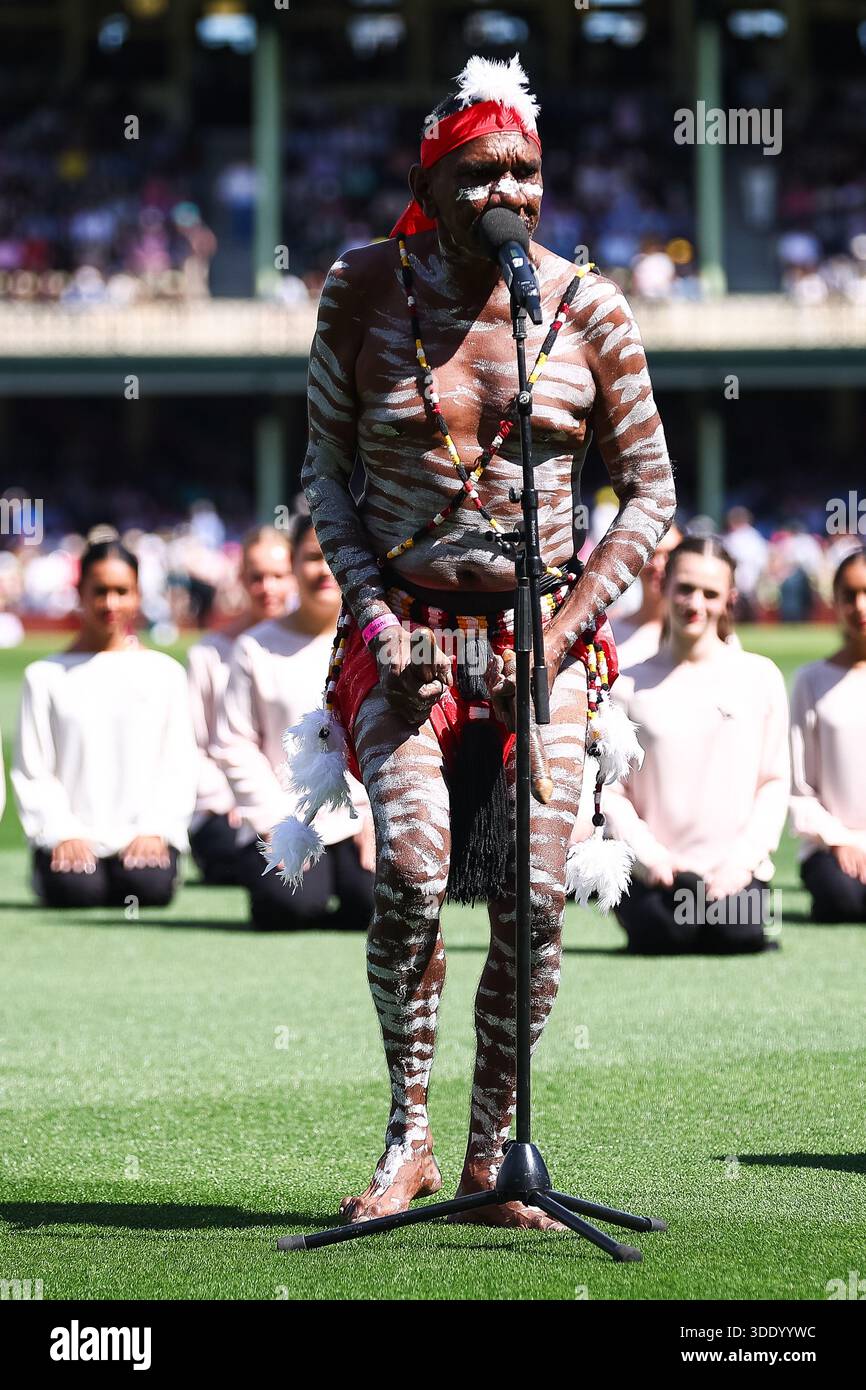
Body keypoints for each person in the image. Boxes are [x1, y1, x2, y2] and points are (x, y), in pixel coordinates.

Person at [297, 54, 675, 1227]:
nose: (504, 189)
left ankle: (487, 1159)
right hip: (400, 637)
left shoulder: (587, 306)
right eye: (477, 171)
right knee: (409, 877)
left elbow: (650, 493)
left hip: (542, 648)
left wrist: (560, 636)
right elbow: (324, 478)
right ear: (433, 174)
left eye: (522, 169)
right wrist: (372, 618)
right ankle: (406, 1138)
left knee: (533, 899)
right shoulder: (361, 289)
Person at [606, 537, 789, 953]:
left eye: (710, 593)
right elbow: (610, 792)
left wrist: (740, 865)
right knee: (665, 934)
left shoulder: (759, 678)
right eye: (685, 588)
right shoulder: (625, 685)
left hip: (734, 872)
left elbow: (774, 781)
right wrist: (653, 860)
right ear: (663, 587)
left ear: (730, 600)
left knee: (735, 934)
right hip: (656, 874)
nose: (695, 603)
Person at [12, 539, 196, 909]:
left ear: (138, 595)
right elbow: (33, 771)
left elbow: (178, 765)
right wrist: (62, 833)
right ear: (79, 592)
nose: (110, 604)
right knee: (77, 891)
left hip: (142, 836)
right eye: (99, 591)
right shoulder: (44, 676)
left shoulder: (165, 674)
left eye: (121, 591)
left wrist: (155, 829)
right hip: (73, 838)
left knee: (149, 888)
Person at [214, 514, 375, 930]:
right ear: (293, 567)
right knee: (289, 906)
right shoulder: (254, 648)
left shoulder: (373, 644)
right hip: (286, 814)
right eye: (310, 558)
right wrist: (274, 823)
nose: (323, 569)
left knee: (374, 903)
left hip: (357, 816)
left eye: (332, 557)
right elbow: (235, 743)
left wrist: (379, 819)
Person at [186, 525, 296, 885]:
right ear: (241, 579)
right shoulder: (207, 654)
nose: (268, 588)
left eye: (278, 576)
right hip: (225, 806)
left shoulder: (310, 648)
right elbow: (196, 748)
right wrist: (235, 798)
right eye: (257, 577)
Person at [790, 547, 866, 922]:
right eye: (850, 595)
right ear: (835, 602)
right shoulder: (811, 680)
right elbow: (800, 788)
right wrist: (842, 840)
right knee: (844, 898)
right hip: (831, 847)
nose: (860, 606)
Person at [612, 522, 682, 671]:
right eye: (651, 554)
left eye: (669, 555)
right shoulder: (611, 632)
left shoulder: (706, 633)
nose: (659, 565)